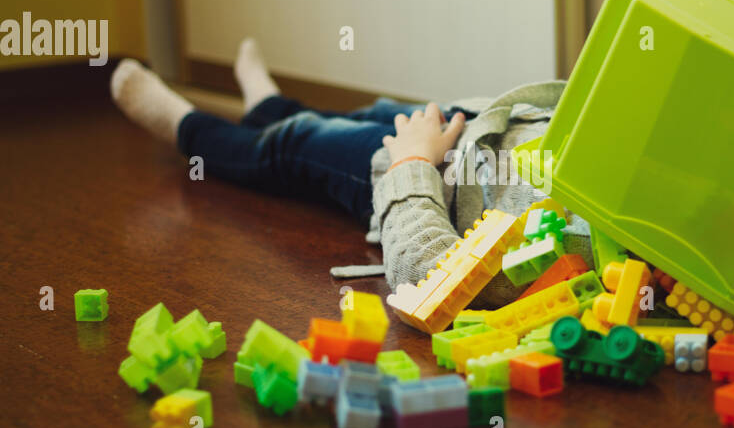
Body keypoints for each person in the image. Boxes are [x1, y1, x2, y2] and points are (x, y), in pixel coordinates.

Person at [110, 40, 591, 305]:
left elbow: (428, 275)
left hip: (429, 179)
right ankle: (267, 106)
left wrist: (413, 162)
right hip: (472, 128)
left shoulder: (592, 254)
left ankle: (185, 126)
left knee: (295, 144)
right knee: (360, 115)